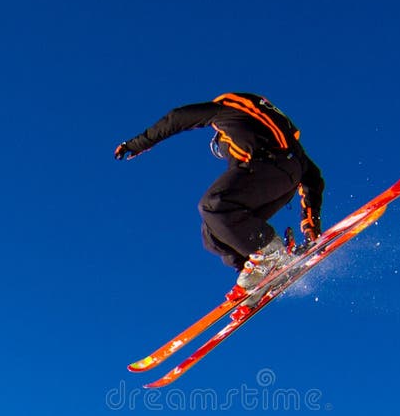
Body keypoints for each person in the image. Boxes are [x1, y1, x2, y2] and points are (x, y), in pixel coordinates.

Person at [114, 92, 324, 293]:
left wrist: (137, 143)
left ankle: (270, 252)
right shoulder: (276, 138)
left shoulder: (226, 111)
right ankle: (259, 269)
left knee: (214, 205)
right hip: (281, 177)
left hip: (270, 165)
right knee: (212, 234)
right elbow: (313, 179)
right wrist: (311, 226)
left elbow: (178, 117)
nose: (222, 153)